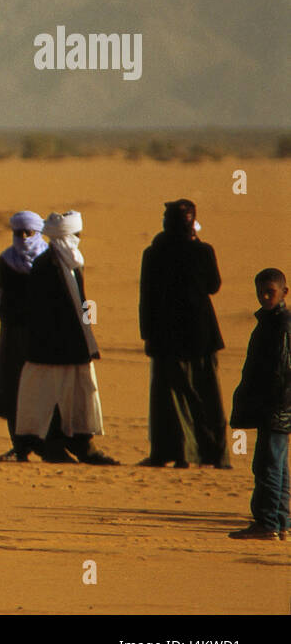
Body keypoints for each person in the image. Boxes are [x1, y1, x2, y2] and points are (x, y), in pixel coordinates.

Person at [14, 211, 118, 465]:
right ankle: (47, 445)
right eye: (76, 235)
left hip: (74, 348)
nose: (78, 240)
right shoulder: (45, 266)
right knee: (45, 398)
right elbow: (40, 312)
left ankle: (83, 444)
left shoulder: (71, 263)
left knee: (81, 395)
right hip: (50, 350)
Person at [138, 199, 230, 468]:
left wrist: (147, 335)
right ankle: (212, 454)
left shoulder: (154, 252)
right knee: (205, 394)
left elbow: (146, 298)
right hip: (200, 336)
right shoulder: (202, 251)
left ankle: (171, 453)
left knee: (167, 396)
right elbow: (213, 286)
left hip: (165, 336)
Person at [228, 268, 291, 540]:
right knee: (276, 464)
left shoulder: (282, 325)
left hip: (277, 407)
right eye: (261, 292)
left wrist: (270, 405)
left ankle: (268, 523)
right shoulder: (271, 322)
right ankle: (280, 522)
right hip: (274, 407)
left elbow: (280, 371)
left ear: (284, 292)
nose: (265, 297)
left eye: (271, 292)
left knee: (269, 464)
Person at [0, 211, 49, 461]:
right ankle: (20, 445)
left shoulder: (49, 259)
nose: (23, 237)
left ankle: (46, 444)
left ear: (39, 232)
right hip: (13, 336)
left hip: (44, 336)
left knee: (44, 390)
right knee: (14, 389)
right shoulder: (5, 260)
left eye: (29, 233)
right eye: (18, 233)